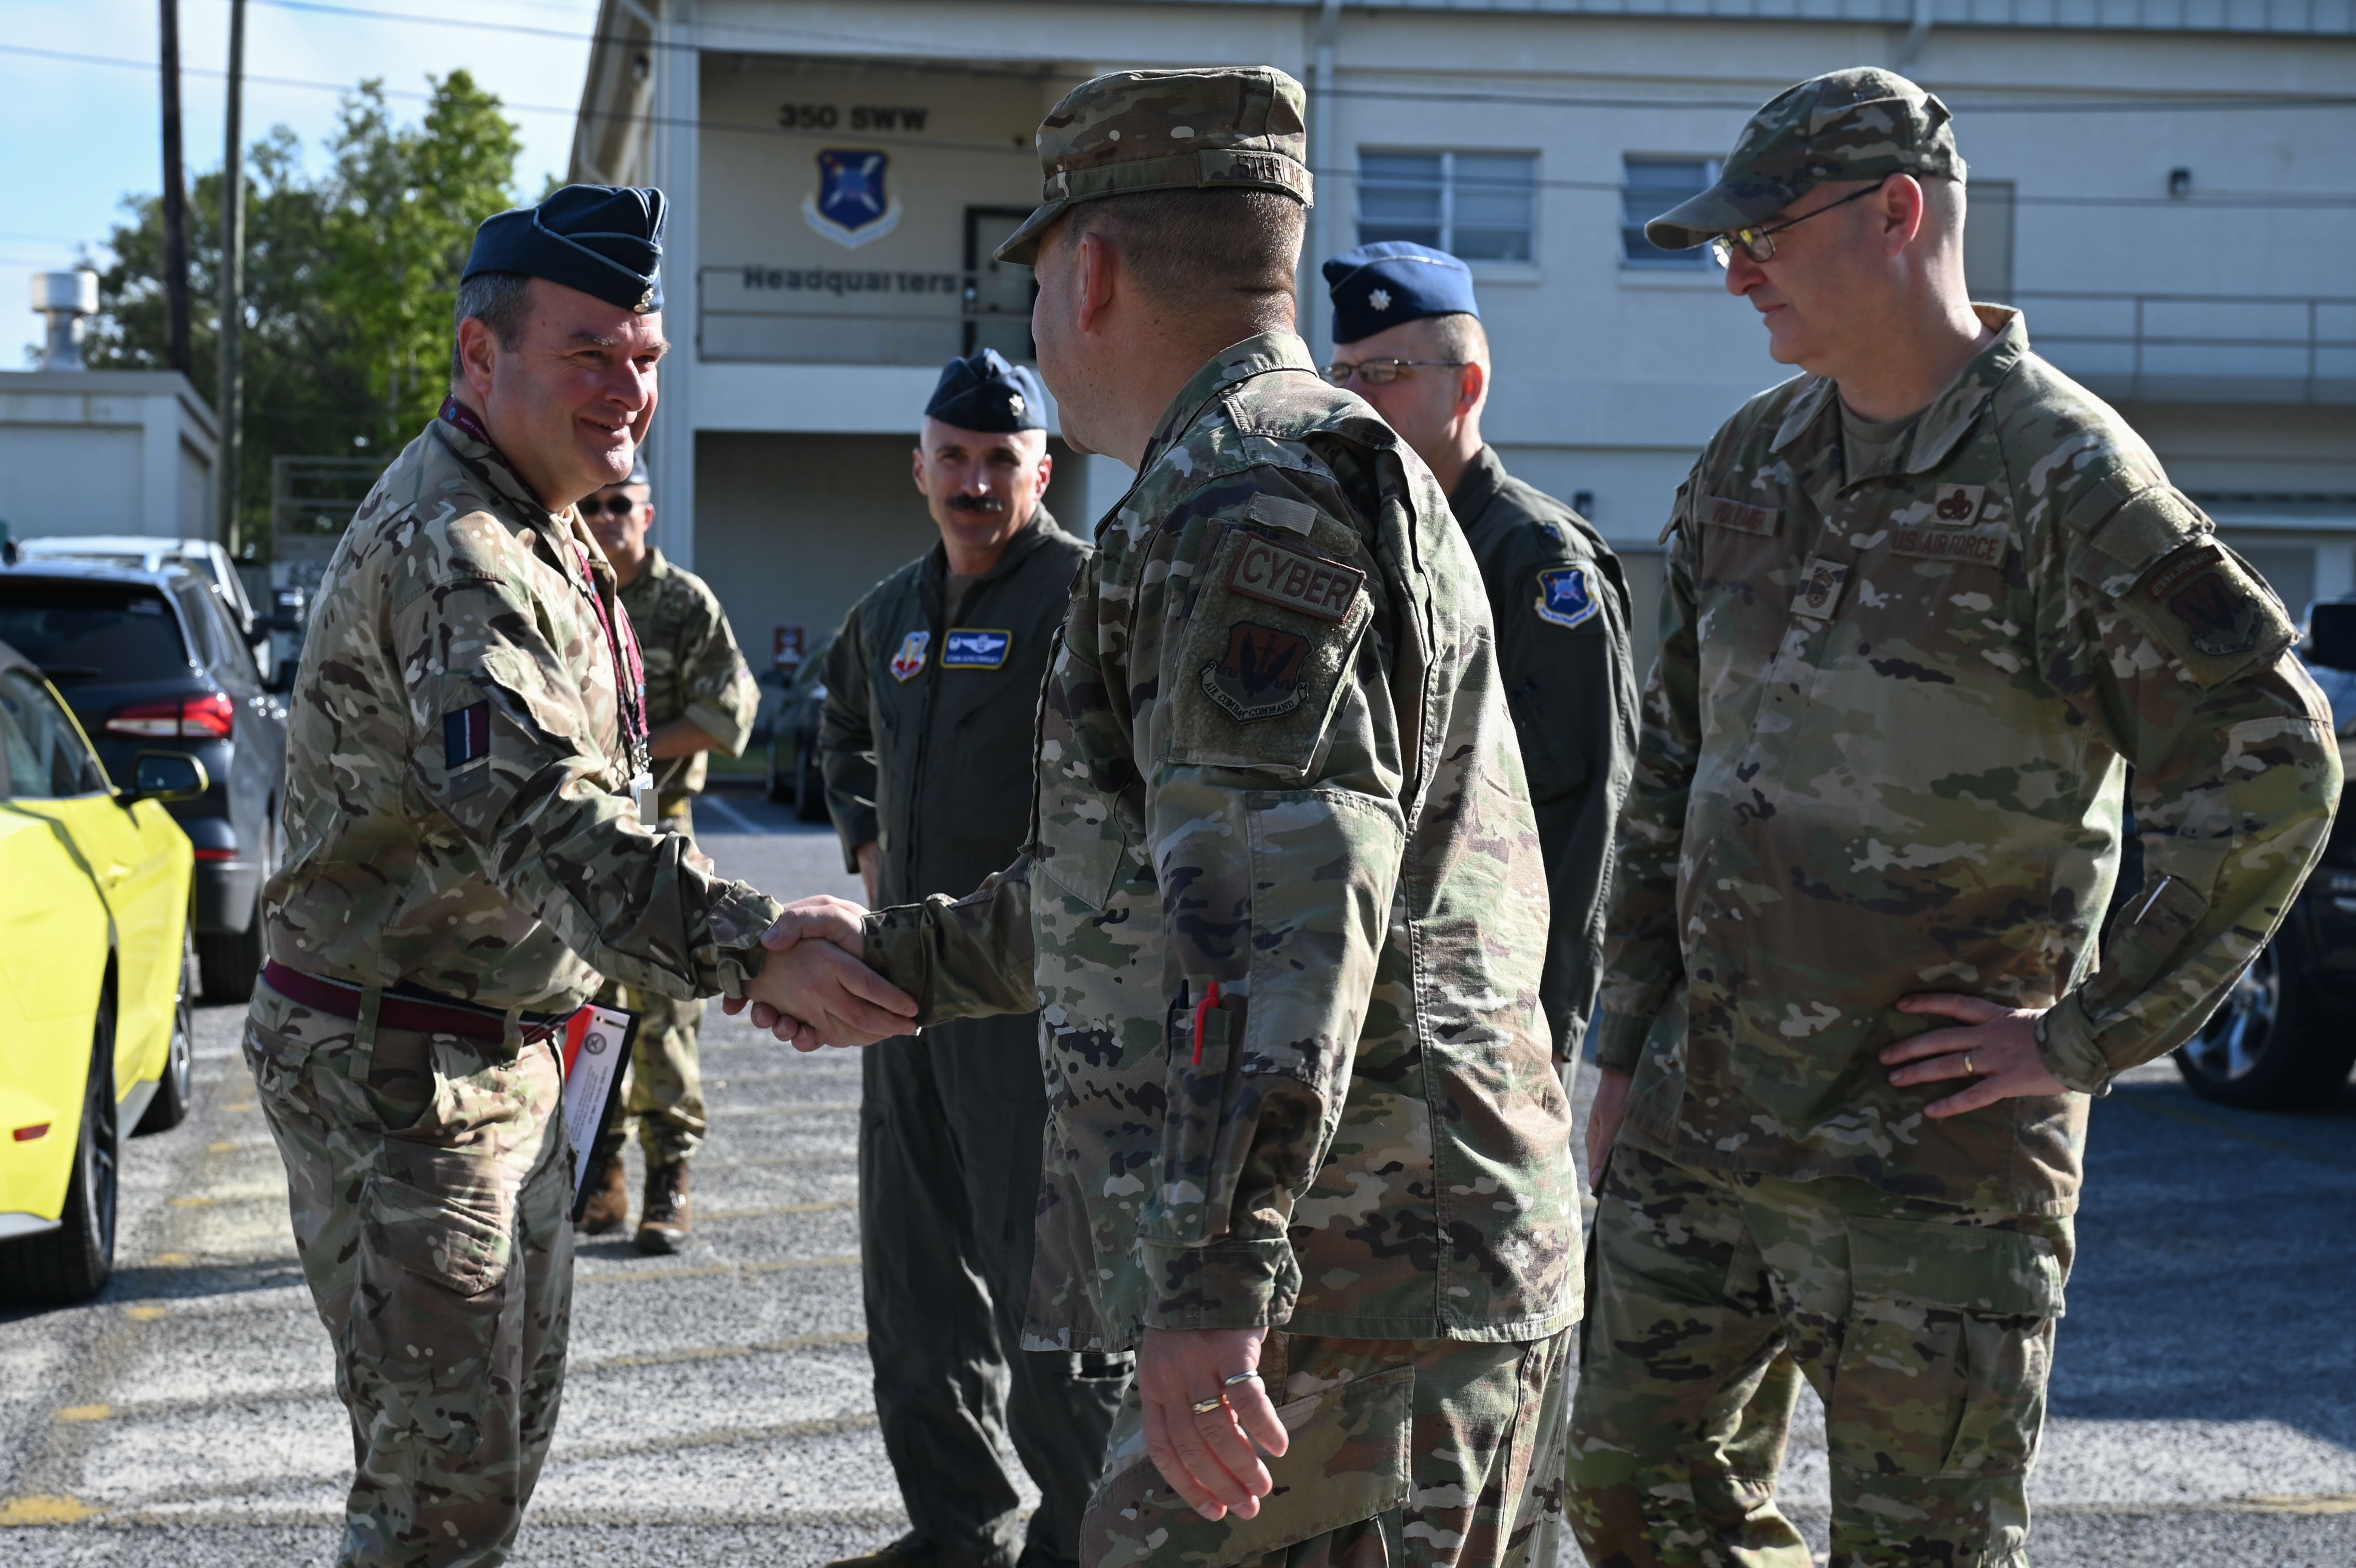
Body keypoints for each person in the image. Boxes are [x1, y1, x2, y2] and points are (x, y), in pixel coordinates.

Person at [746, 65, 1579, 1568]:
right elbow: (1144, 890)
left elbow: (1281, 914)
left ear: (1093, 272)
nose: (1036, 320)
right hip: (1373, 1278)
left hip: (1351, 1297)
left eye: (1037, 280)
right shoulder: (1266, 472)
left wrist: (1211, 1278)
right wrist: (895, 956)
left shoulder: (1243, 501)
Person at [1567, 68, 2340, 1568]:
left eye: (1763, 235)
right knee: (1624, 1496)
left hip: (1932, 1162)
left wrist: (2089, 1034)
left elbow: (2271, 760)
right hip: (1700, 1120)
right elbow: (1674, 765)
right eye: (1727, 245)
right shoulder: (1748, 461)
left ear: (1895, 213)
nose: (1736, 273)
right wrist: (1622, 1045)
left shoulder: (2068, 478)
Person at [244, 184, 913, 1567]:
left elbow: (610, 791)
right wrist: (754, 943)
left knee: (484, 1476)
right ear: (479, 354)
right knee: (436, 1506)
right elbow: (539, 815)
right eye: (588, 351)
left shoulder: (547, 520)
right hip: (408, 1078)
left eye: (645, 355)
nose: (627, 388)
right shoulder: (462, 548)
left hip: (497, 1057)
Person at [816, 350, 1125, 1568]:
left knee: (1045, 1288)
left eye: (1002, 459)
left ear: (1044, 471)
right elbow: (840, 720)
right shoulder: (889, 614)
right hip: (900, 991)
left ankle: (1079, 1542)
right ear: (919, 467)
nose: (975, 480)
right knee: (914, 1277)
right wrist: (865, 836)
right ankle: (959, 1528)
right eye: (954, 456)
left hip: (1031, 1001)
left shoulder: (1084, 598)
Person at [1320, 241, 1640, 1067]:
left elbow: (1584, 813)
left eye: (1386, 371)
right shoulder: (1359, 543)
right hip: (1366, 1001)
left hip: (1484, 1011)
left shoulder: (1538, 562)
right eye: (1343, 372)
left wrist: (1548, 1029)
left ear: (1468, 387)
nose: (1356, 397)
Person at [573, 453, 762, 1253]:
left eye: (620, 505)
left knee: (666, 1007)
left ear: (646, 515)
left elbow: (729, 714)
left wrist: (634, 754)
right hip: (578, 834)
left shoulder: (683, 603)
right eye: (593, 505)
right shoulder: (568, 592)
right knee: (585, 1004)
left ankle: (669, 1178)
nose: (605, 519)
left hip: (659, 827)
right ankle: (600, 1173)